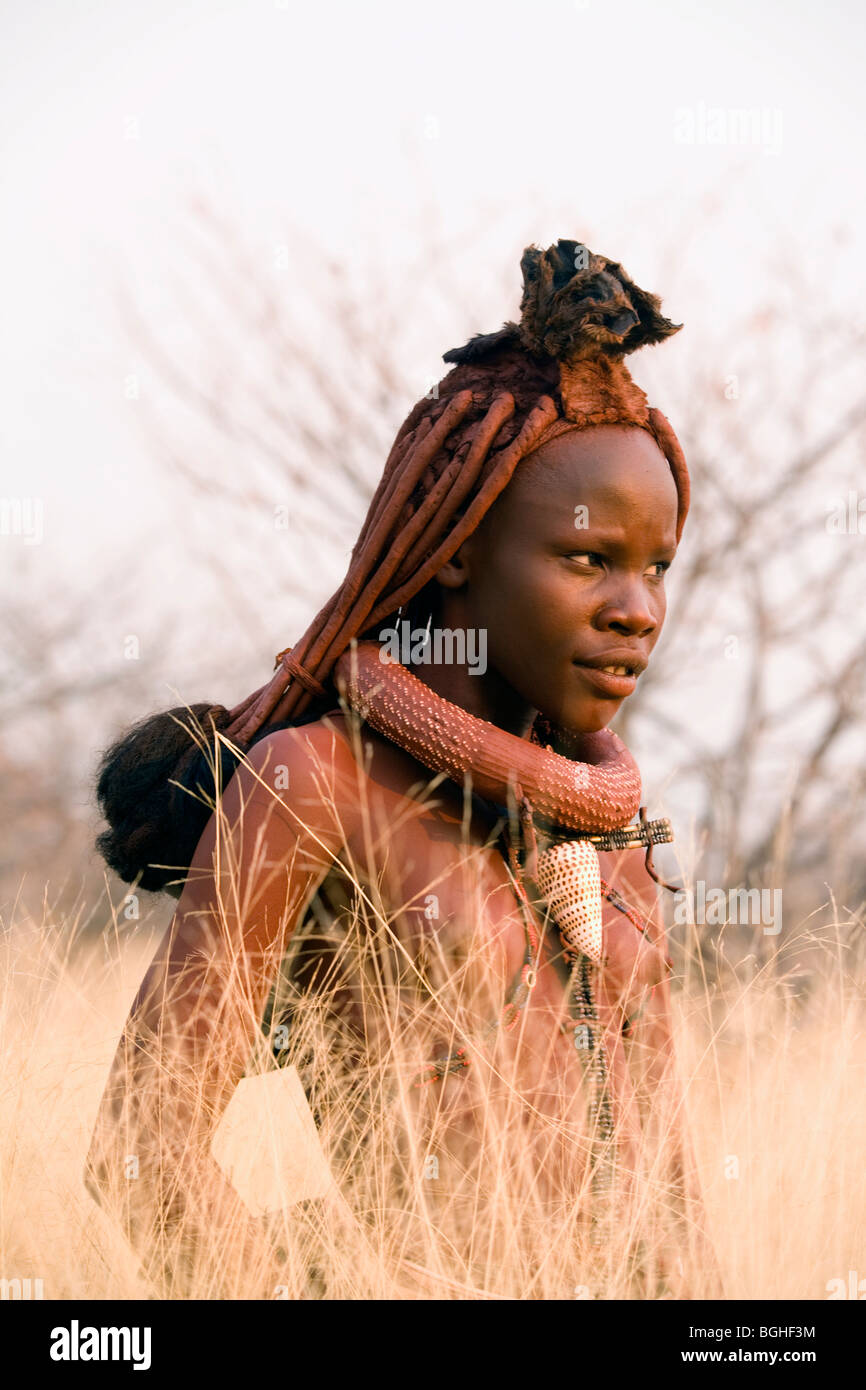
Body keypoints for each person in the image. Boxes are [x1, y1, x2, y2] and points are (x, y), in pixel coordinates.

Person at [87, 239, 719, 1298]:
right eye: (584, 558)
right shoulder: (315, 784)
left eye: (655, 565)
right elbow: (143, 1149)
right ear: (461, 545)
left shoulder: (613, 833)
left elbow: (670, 1207)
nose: (635, 610)